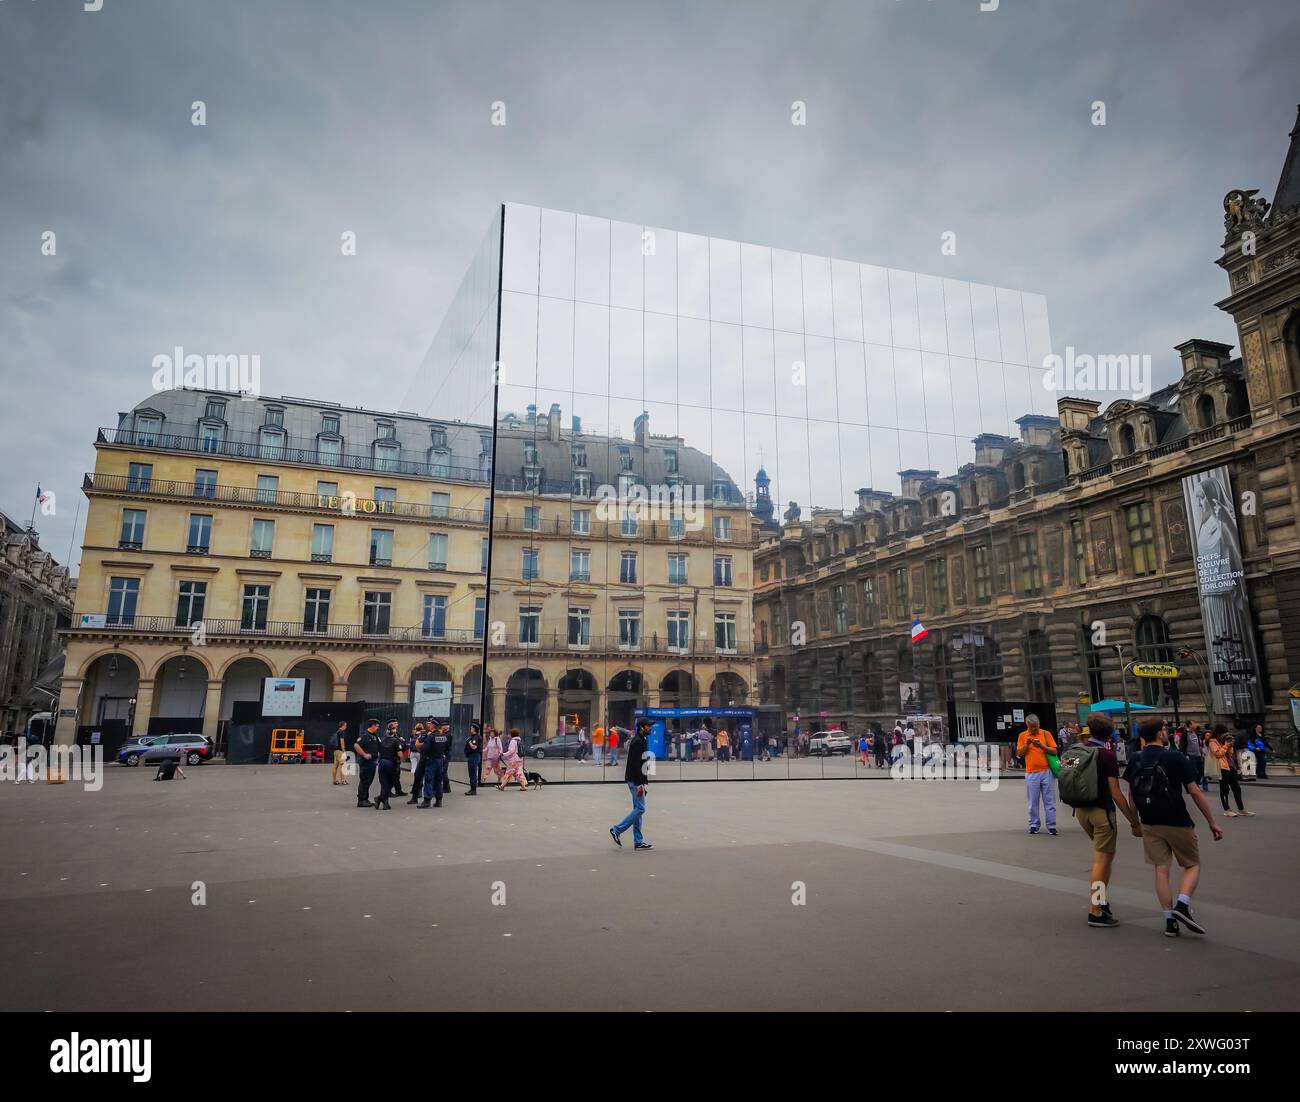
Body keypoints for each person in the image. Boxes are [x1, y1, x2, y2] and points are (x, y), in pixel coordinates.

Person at [1124, 717, 1224, 937]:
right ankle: (1183, 904)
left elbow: (1132, 794)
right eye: (1164, 729)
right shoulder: (1175, 757)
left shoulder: (1135, 759)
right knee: (1192, 864)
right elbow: (1195, 791)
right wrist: (1212, 822)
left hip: (1149, 820)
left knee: (1161, 869)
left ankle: (1169, 921)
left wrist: (1134, 822)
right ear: (1160, 734)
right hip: (1177, 819)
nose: (1166, 731)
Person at [1064, 714, 1140, 928]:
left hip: (1081, 811)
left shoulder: (1075, 752)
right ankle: (1096, 909)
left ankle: (1102, 900)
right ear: (1110, 734)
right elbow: (1116, 793)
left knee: (1105, 856)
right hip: (1101, 812)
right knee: (1101, 861)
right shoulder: (1106, 755)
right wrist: (1133, 821)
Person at [610, 719, 652, 850]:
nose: (650, 728)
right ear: (641, 727)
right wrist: (640, 784)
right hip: (635, 780)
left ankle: (638, 842)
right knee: (640, 809)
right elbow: (635, 764)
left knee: (637, 809)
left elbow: (641, 763)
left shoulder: (641, 740)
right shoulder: (638, 742)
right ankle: (617, 829)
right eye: (648, 726)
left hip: (636, 779)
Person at [1017, 714, 1058, 835]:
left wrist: (1041, 746)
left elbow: (1054, 751)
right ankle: (1034, 824)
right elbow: (1020, 754)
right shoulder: (1023, 736)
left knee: (1049, 800)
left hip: (1047, 771)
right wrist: (1027, 744)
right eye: (1031, 727)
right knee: (1033, 801)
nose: (1034, 729)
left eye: (1036, 727)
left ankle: (1051, 825)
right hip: (1031, 773)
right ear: (1027, 726)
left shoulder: (1046, 733)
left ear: (1039, 724)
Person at [1207, 725, 1252, 818]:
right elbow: (1218, 754)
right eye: (1224, 733)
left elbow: (1230, 754)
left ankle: (1241, 809)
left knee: (1236, 788)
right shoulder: (1212, 742)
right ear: (1219, 733)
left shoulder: (1223, 741)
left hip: (1230, 766)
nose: (1225, 735)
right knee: (1224, 789)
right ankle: (1227, 809)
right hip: (1222, 767)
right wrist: (1226, 745)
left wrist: (1230, 745)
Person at [419, 722, 451, 808]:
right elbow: (447, 749)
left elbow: (425, 748)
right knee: (438, 781)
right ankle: (438, 800)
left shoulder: (431, 737)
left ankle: (427, 800)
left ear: (433, 726)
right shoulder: (443, 737)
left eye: (430, 725)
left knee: (429, 780)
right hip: (440, 760)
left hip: (431, 760)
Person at [374, 723, 402, 811]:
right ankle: (380, 798)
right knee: (390, 783)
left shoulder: (382, 740)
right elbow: (400, 754)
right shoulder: (396, 741)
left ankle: (385, 803)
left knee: (384, 783)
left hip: (382, 762)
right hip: (391, 763)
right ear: (393, 731)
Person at [354, 719, 380, 807]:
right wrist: (364, 754)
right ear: (372, 726)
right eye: (377, 726)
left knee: (368, 781)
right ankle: (361, 800)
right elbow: (356, 745)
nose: (378, 728)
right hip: (366, 762)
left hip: (372, 761)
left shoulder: (374, 736)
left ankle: (365, 799)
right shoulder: (365, 735)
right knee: (364, 781)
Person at [406, 723, 427, 805]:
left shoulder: (413, 734)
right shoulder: (423, 734)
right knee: (421, 771)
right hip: (419, 753)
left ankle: (415, 785)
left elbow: (410, 743)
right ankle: (419, 790)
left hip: (412, 753)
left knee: (415, 770)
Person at [1183, 720, 1206, 792]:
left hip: (1198, 755)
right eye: (1194, 723)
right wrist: (1185, 755)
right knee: (1194, 772)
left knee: (1201, 772)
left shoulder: (1196, 733)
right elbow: (1182, 745)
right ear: (1190, 725)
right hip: (1190, 755)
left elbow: (1198, 743)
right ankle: (1194, 786)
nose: (1196, 724)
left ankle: (1196, 783)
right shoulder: (1185, 733)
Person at [464, 722, 483, 796]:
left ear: (474, 729)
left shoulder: (476, 737)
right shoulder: (474, 736)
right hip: (472, 756)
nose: (470, 729)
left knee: (473, 773)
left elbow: (474, 747)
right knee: (472, 773)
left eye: (471, 728)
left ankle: (473, 789)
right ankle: (472, 789)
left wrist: (469, 743)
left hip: (474, 756)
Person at [331, 721, 349, 785]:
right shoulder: (342, 732)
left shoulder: (337, 732)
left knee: (335, 766)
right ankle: (343, 781)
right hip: (340, 751)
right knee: (343, 766)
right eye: (345, 725)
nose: (346, 727)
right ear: (343, 726)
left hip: (335, 751)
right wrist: (344, 751)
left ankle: (334, 780)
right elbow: (342, 742)